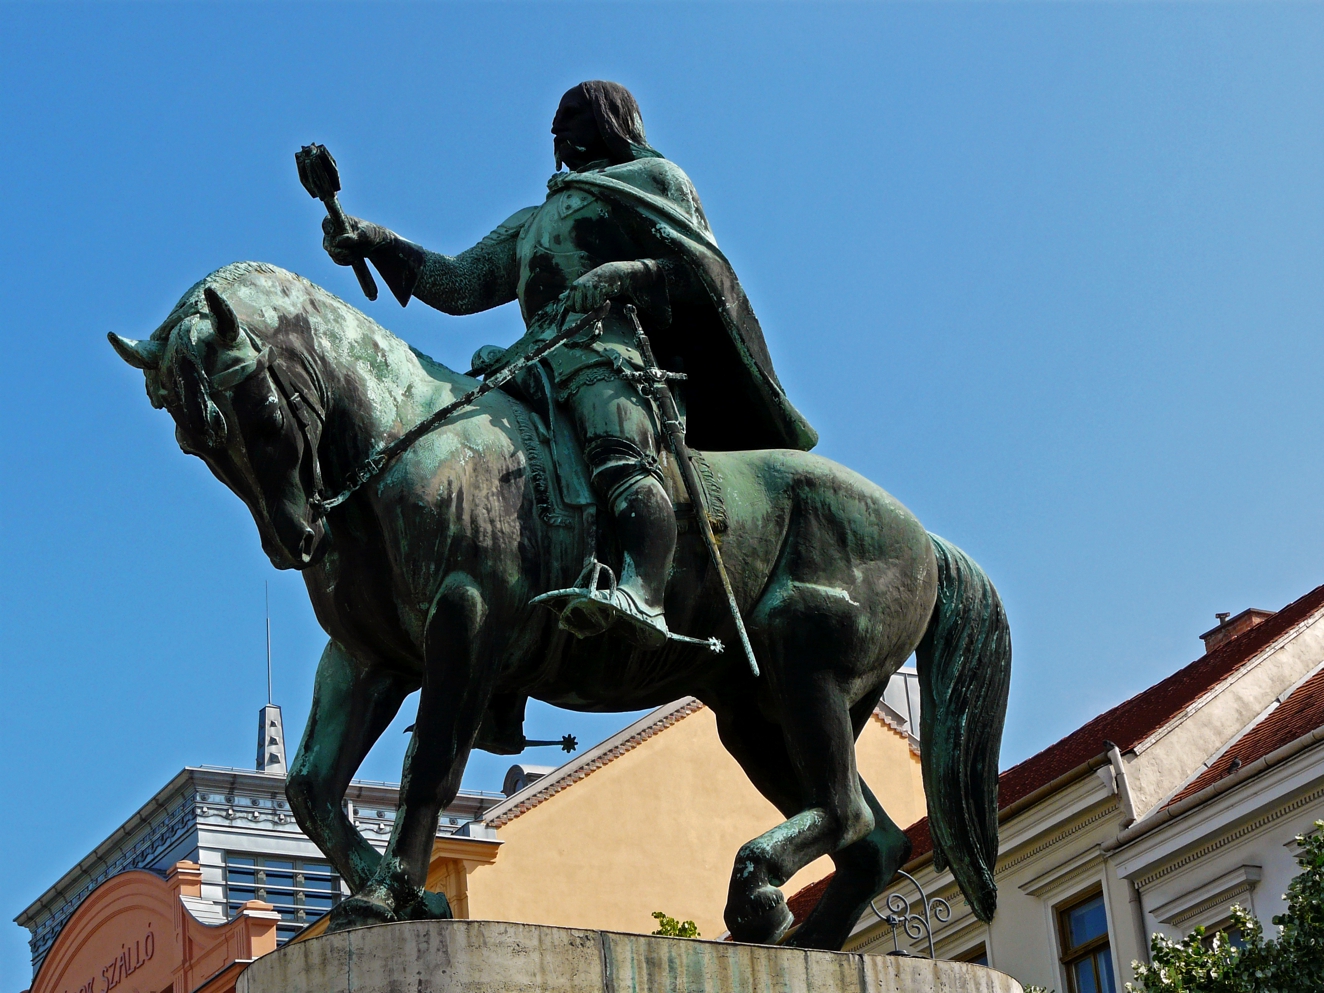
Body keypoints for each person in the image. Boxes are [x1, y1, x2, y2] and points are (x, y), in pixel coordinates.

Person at [321, 80, 816, 650]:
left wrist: (624, 274)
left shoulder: (655, 183)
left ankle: (644, 591)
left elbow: (706, 277)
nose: (558, 130)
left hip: (612, 353)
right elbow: (459, 283)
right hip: (530, 363)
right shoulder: (533, 220)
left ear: (612, 120)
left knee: (617, 452)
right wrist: (377, 239)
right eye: (556, 120)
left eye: (574, 115)